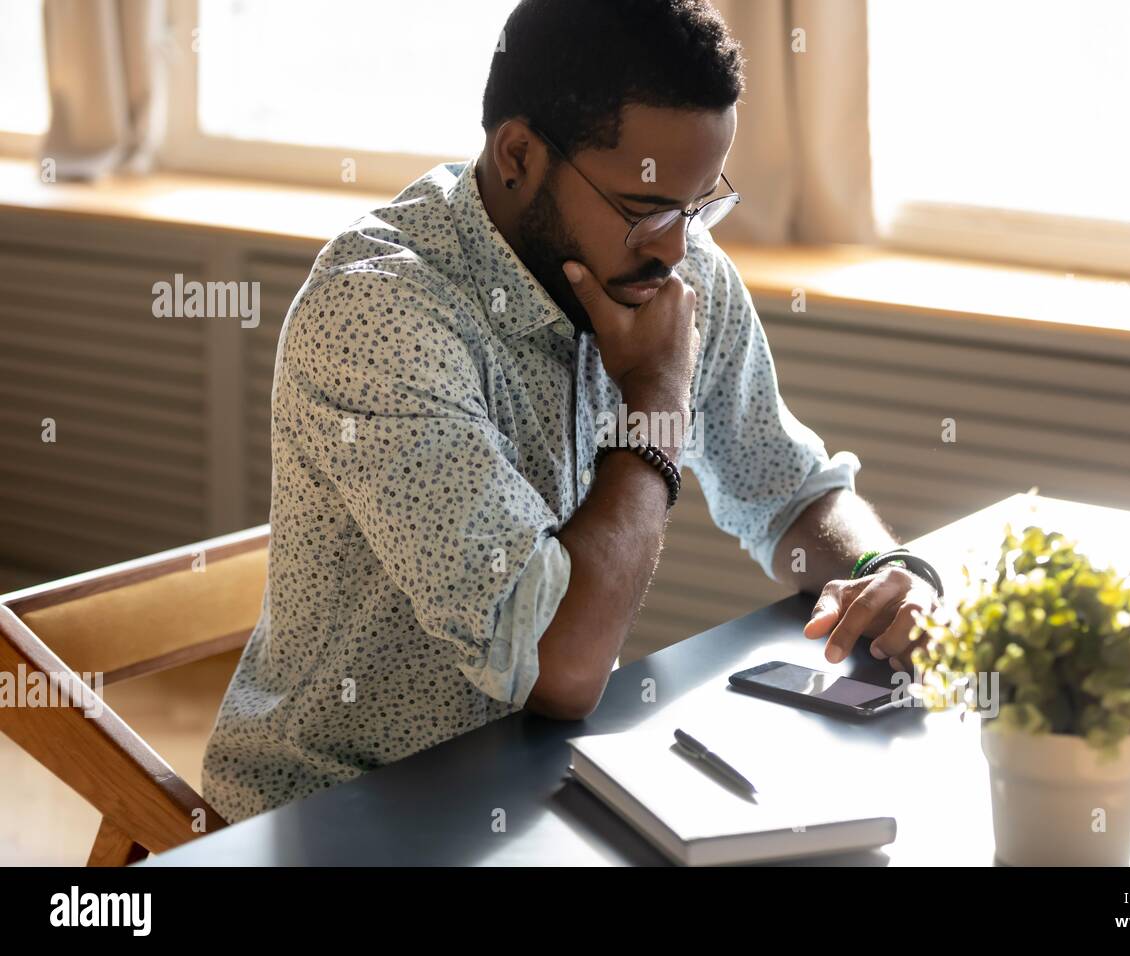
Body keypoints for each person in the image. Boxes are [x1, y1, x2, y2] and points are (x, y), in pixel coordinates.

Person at [202, 0, 938, 824]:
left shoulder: (671, 262)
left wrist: (884, 574)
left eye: (701, 206)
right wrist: (655, 402)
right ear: (518, 153)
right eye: (643, 208)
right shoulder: (378, 315)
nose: (674, 247)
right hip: (335, 810)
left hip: (536, 785)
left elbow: (788, 489)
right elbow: (561, 668)